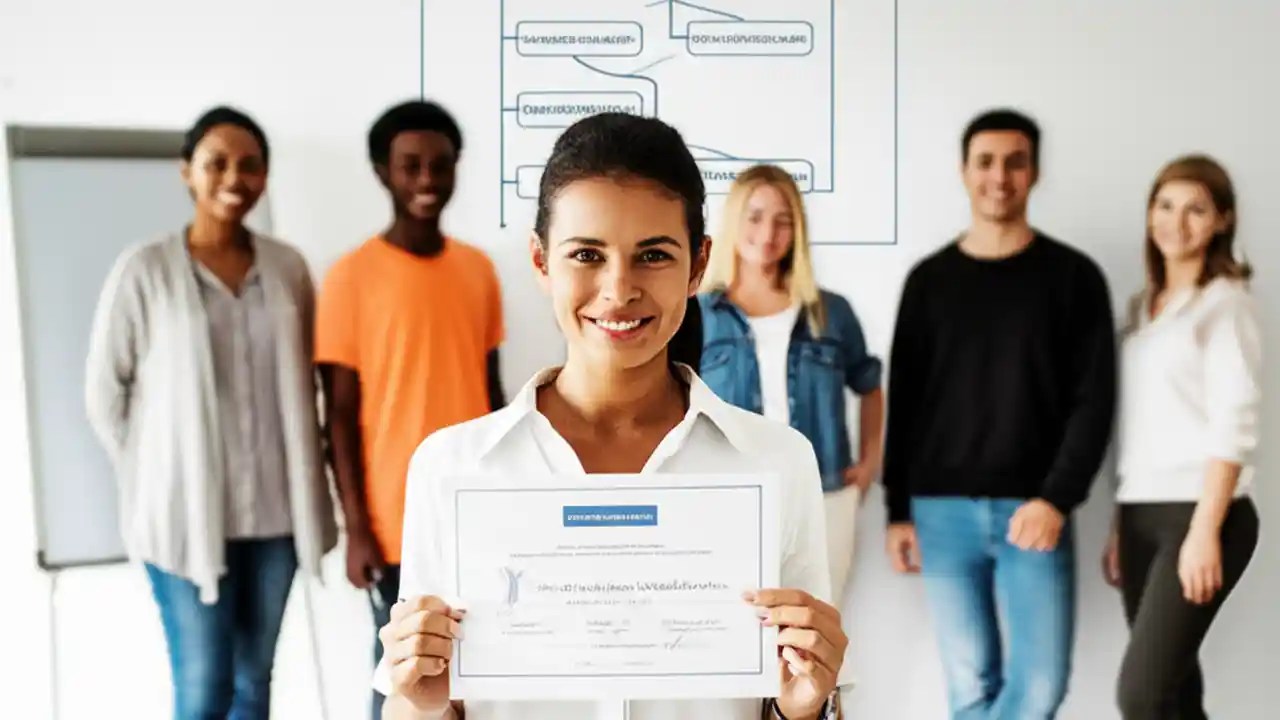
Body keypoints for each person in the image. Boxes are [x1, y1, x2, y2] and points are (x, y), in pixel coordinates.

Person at [373, 112, 848, 720]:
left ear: (698, 264)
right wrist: (421, 703)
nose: (618, 288)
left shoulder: (777, 461)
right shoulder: (453, 467)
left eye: (653, 254)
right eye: (587, 254)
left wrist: (803, 707)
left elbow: (791, 700)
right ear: (541, 262)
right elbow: (426, 705)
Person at [84, 106, 337, 719]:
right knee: (205, 687)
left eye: (250, 165)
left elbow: (311, 379)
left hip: (277, 516)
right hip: (183, 519)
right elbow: (104, 394)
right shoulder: (144, 270)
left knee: (255, 685)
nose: (234, 177)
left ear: (265, 178)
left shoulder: (287, 268)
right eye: (216, 162)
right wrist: (159, 469)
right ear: (187, 173)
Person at [881, 108, 1116, 719]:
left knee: (1038, 686)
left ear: (1034, 172)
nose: (1000, 176)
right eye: (985, 162)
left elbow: (1096, 401)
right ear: (964, 172)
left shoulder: (1074, 278)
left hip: (1034, 510)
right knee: (969, 691)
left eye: (1015, 161)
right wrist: (897, 510)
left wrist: (1057, 498)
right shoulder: (929, 281)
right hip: (939, 513)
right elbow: (903, 398)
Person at [314, 99, 506, 719]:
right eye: (411, 166)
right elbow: (338, 417)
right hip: (396, 522)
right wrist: (358, 530)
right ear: (382, 172)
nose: (427, 179)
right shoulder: (350, 277)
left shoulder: (479, 271)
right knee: (403, 683)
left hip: (479, 509)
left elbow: (495, 398)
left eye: (440, 165)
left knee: (481, 674)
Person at [1101, 155, 1261, 720]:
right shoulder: (1142, 310)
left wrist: (1203, 531)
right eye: (1166, 206)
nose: (1178, 221)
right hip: (1141, 515)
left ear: (1222, 220)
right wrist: (1121, 526)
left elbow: (1235, 425)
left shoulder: (1226, 303)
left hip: (1203, 513)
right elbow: (1140, 427)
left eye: (1197, 209)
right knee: (1172, 695)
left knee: (1139, 696)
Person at [698, 164, 884, 604]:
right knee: (739, 622)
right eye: (756, 216)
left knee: (817, 621)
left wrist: (870, 462)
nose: (768, 233)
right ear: (735, 222)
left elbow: (869, 385)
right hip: (731, 495)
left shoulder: (831, 312)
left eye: (784, 220)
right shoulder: (699, 314)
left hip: (824, 494)